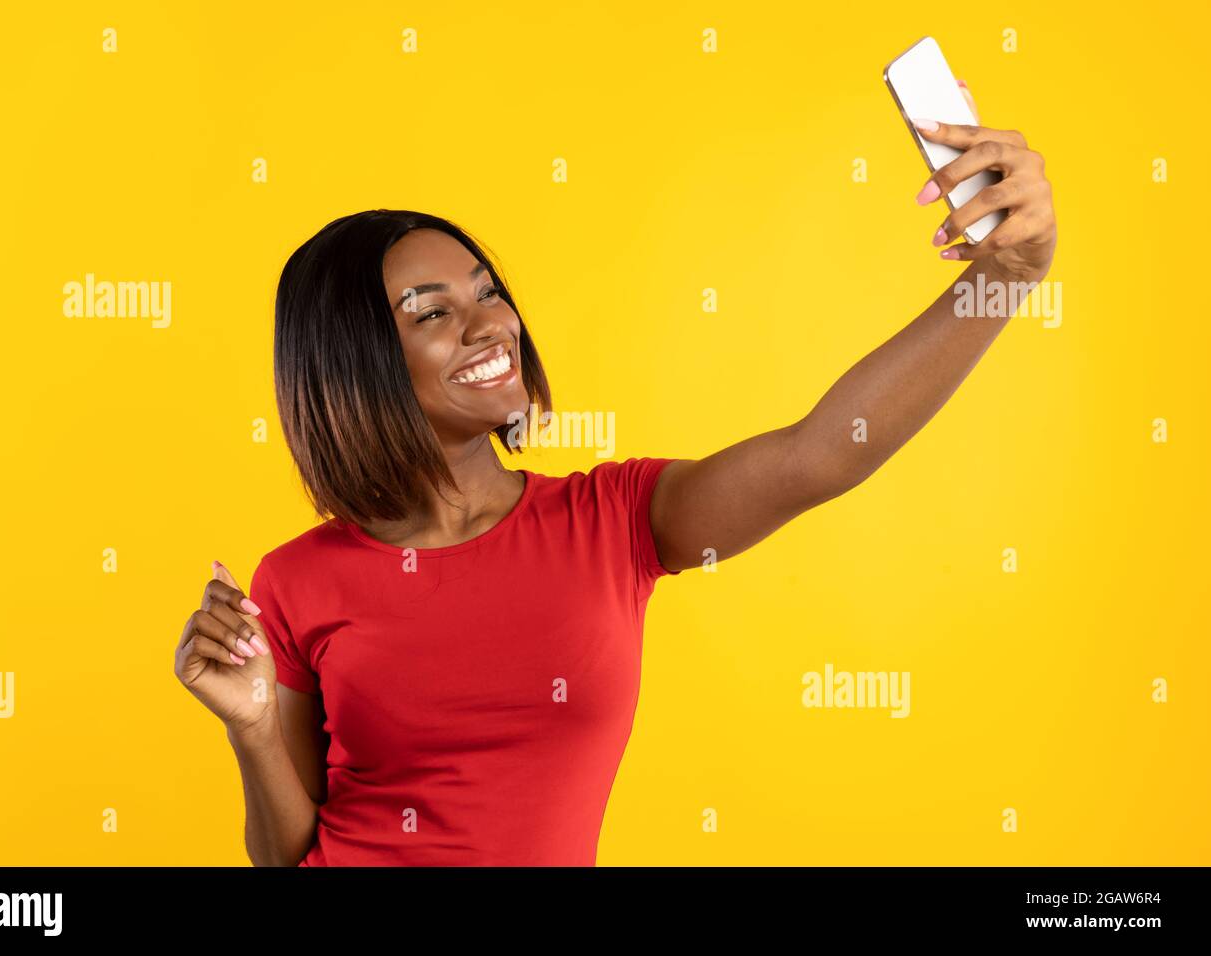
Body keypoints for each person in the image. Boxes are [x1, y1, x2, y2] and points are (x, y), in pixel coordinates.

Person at [174, 106, 1056, 866]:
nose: (491, 325)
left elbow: (820, 456)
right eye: (433, 312)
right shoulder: (294, 580)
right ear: (353, 364)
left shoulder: (612, 522)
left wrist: (1006, 276)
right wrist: (249, 729)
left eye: (487, 293)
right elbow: (287, 854)